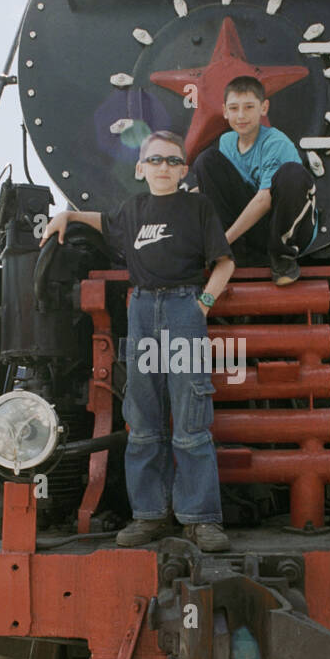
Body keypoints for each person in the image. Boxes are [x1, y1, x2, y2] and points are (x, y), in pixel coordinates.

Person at [40, 131, 235, 553]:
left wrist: (201, 304)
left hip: (185, 307)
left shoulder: (198, 208)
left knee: (191, 417)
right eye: (155, 160)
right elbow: (102, 222)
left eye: (172, 161)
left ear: (183, 170)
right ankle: (148, 516)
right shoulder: (133, 210)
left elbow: (224, 262)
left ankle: (200, 520)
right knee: (143, 419)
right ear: (140, 168)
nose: (163, 167)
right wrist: (67, 218)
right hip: (142, 311)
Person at [190, 76, 318, 284]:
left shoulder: (276, 142)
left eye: (249, 107)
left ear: (263, 108)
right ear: (224, 111)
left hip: (286, 226)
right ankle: (230, 256)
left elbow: (263, 200)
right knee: (206, 161)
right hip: (253, 228)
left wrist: (220, 243)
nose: (241, 115)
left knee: (292, 174)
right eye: (234, 108)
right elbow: (224, 188)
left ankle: (283, 257)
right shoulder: (227, 141)